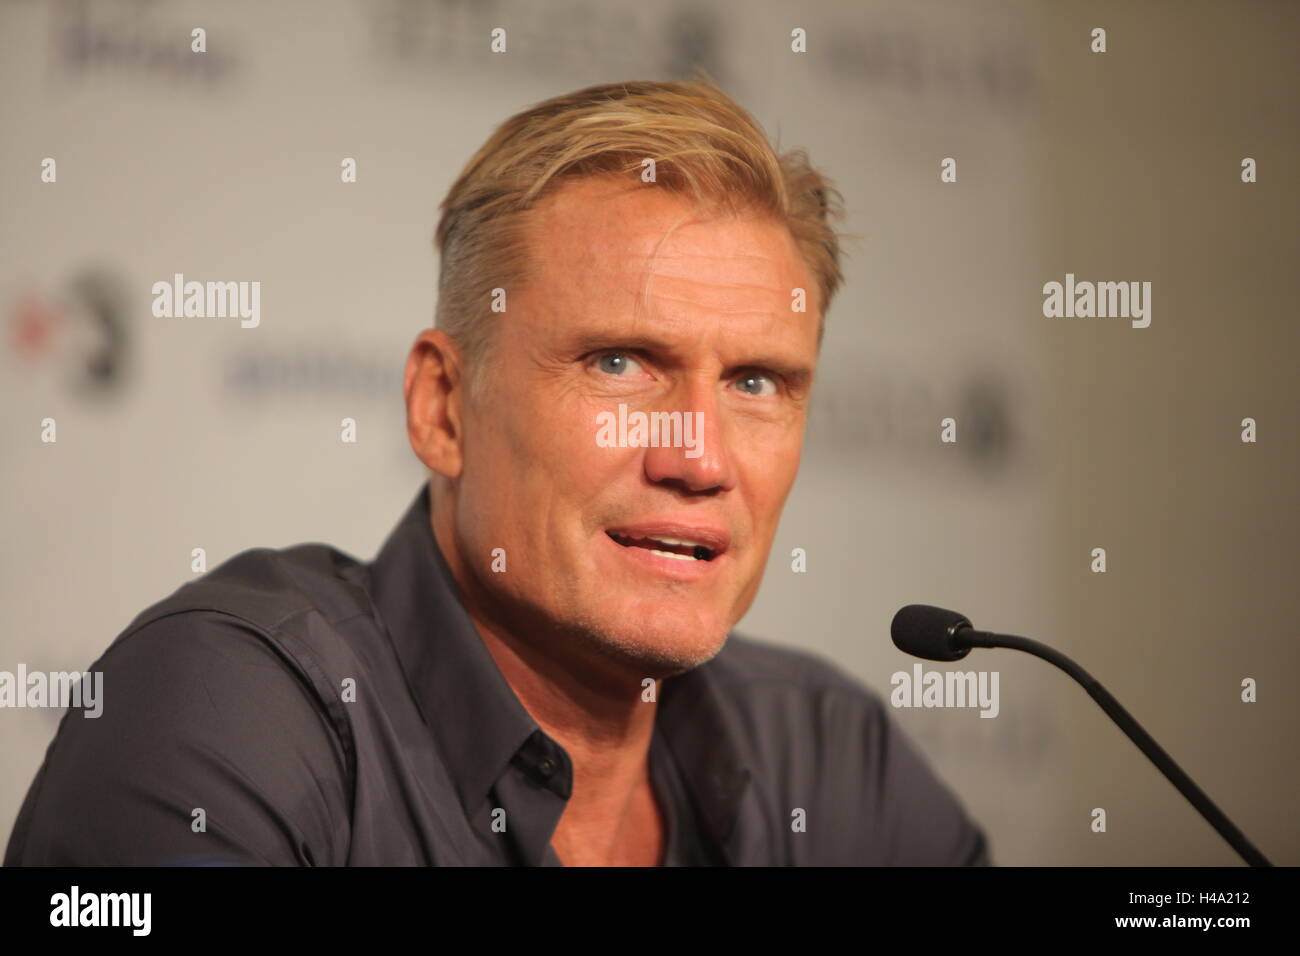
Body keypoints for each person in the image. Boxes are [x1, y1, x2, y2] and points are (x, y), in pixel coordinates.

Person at [5, 78, 989, 866]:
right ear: (442, 406)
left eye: (756, 380)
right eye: (619, 362)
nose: (699, 457)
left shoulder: (832, 755)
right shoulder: (232, 702)